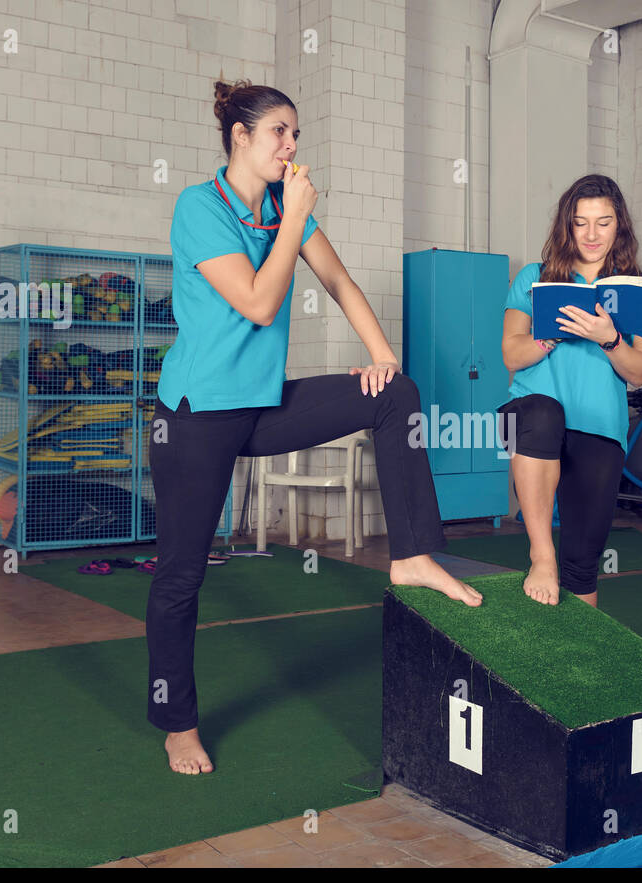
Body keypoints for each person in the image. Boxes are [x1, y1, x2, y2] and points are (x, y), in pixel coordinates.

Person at [147, 80, 482, 775]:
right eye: (279, 132)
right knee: (181, 576)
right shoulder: (198, 207)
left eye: (296, 133)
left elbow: (340, 282)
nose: (292, 146)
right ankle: (178, 722)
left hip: (260, 405)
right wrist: (294, 217)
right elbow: (260, 303)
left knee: (397, 395)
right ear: (240, 138)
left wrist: (383, 357)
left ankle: (414, 555)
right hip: (195, 417)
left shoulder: (278, 206)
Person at [499, 174, 642, 608]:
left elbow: (640, 372)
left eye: (603, 222)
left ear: (619, 226)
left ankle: (579, 663)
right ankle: (540, 555)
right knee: (544, 414)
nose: (591, 234)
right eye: (580, 222)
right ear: (566, 226)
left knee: (583, 564)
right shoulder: (533, 278)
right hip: (531, 416)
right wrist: (548, 335)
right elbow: (511, 357)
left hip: (598, 425)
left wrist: (608, 338)